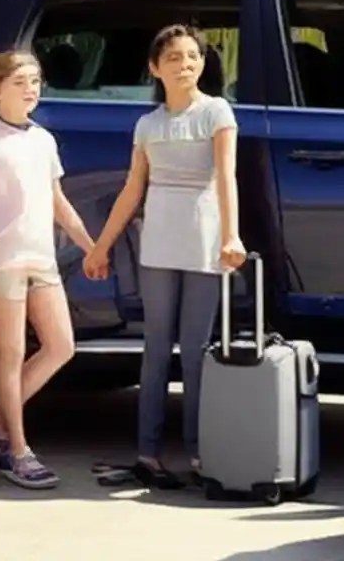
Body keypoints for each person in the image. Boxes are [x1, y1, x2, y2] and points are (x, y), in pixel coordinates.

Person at [84, 24, 246, 487]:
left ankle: (198, 453)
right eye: (173, 57)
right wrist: (100, 246)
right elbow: (133, 188)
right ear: (155, 68)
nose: (185, 65)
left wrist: (230, 236)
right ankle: (148, 454)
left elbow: (226, 177)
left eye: (192, 56)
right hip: (158, 242)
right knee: (155, 349)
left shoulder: (217, 112)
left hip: (203, 240)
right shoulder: (148, 124)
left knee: (195, 351)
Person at [0, 49, 94, 490]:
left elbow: (58, 202)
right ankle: (17, 447)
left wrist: (92, 245)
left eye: (35, 80)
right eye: (20, 81)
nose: (31, 88)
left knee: (60, 346)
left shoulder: (43, 140)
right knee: (10, 352)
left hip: (40, 257)